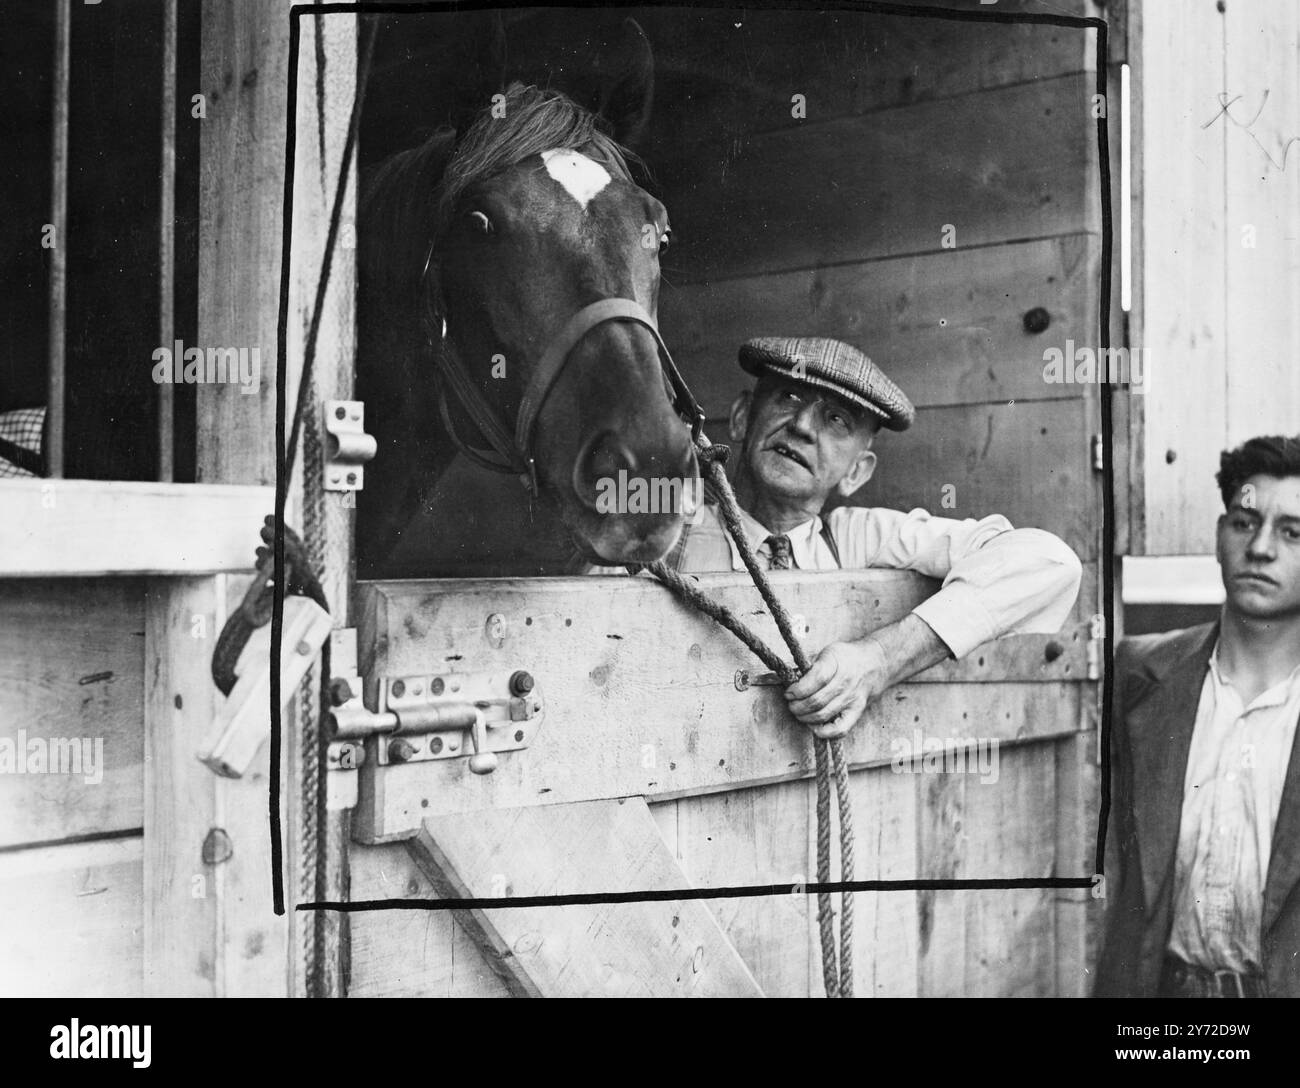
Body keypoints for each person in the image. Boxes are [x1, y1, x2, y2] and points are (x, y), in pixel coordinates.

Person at [665, 336, 1083, 738]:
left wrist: (881, 658)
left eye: (837, 420)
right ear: (741, 417)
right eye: (789, 397)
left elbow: (1050, 562)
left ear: (857, 472)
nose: (803, 427)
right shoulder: (665, 530)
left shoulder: (857, 539)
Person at [1097, 435, 1300, 998]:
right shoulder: (1141, 675)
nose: (1260, 548)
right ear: (1218, 535)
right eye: (1244, 522)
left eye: (1292, 532)